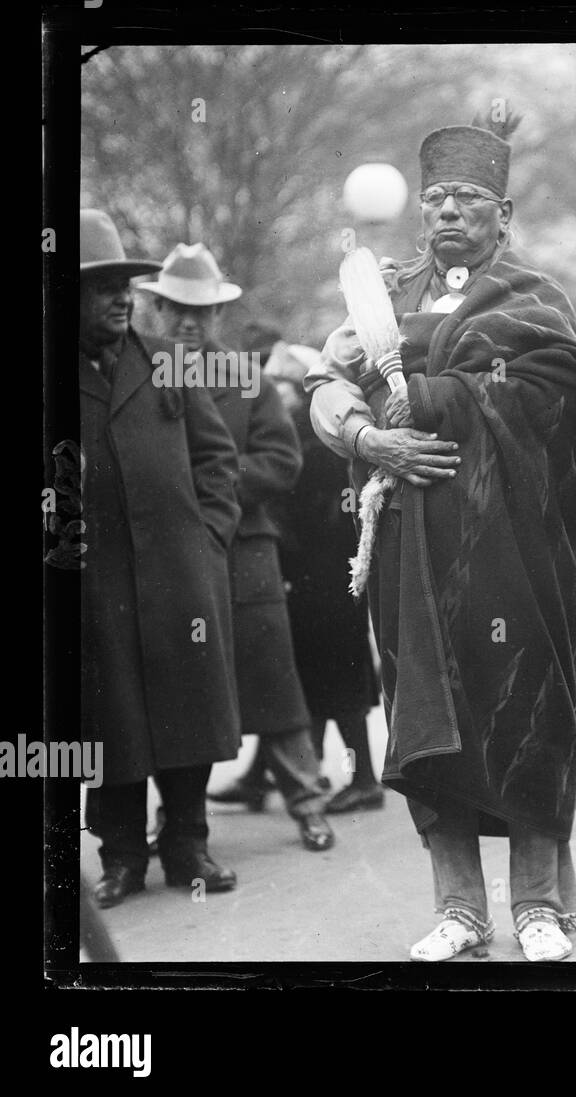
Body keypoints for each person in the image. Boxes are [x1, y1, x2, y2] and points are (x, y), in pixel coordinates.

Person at [306, 110, 576, 961]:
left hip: (514, 545)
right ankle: (460, 908)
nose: (449, 213)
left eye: (468, 198)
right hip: (409, 548)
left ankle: (537, 904)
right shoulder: (384, 297)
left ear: (504, 214)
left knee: (528, 710)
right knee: (429, 716)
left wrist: (435, 399)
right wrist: (365, 437)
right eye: (436, 200)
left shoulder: (535, 299)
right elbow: (327, 384)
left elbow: (553, 386)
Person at [138, 245, 335, 853]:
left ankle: (307, 802)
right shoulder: (137, 375)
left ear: (218, 316)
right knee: (176, 690)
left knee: (274, 683)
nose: (188, 324)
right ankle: (175, 822)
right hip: (168, 559)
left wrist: (208, 485)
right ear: (157, 310)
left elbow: (283, 461)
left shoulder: (245, 379)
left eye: (200, 312)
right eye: (175, 310)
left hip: (245, 552)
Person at [78, 209, 242, 908]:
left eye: (124, 284)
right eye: (100, 286)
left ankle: (187, 843)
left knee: (186, 710)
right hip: (95, 580)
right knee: (108, 715)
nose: (121, 297)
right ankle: (120, 857)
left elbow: (217, 459)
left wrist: (206, 542)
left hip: (179, 575)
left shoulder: (167, 361)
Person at [260, 335, 383, 814]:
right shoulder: (312, 437)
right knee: (332, 686)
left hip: (322, 582)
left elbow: (315, 520)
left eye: (281, 385)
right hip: (330, 581)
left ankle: (362, 780)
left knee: (340, 690)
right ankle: (339, 778)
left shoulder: (309, 443)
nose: (273, 393)